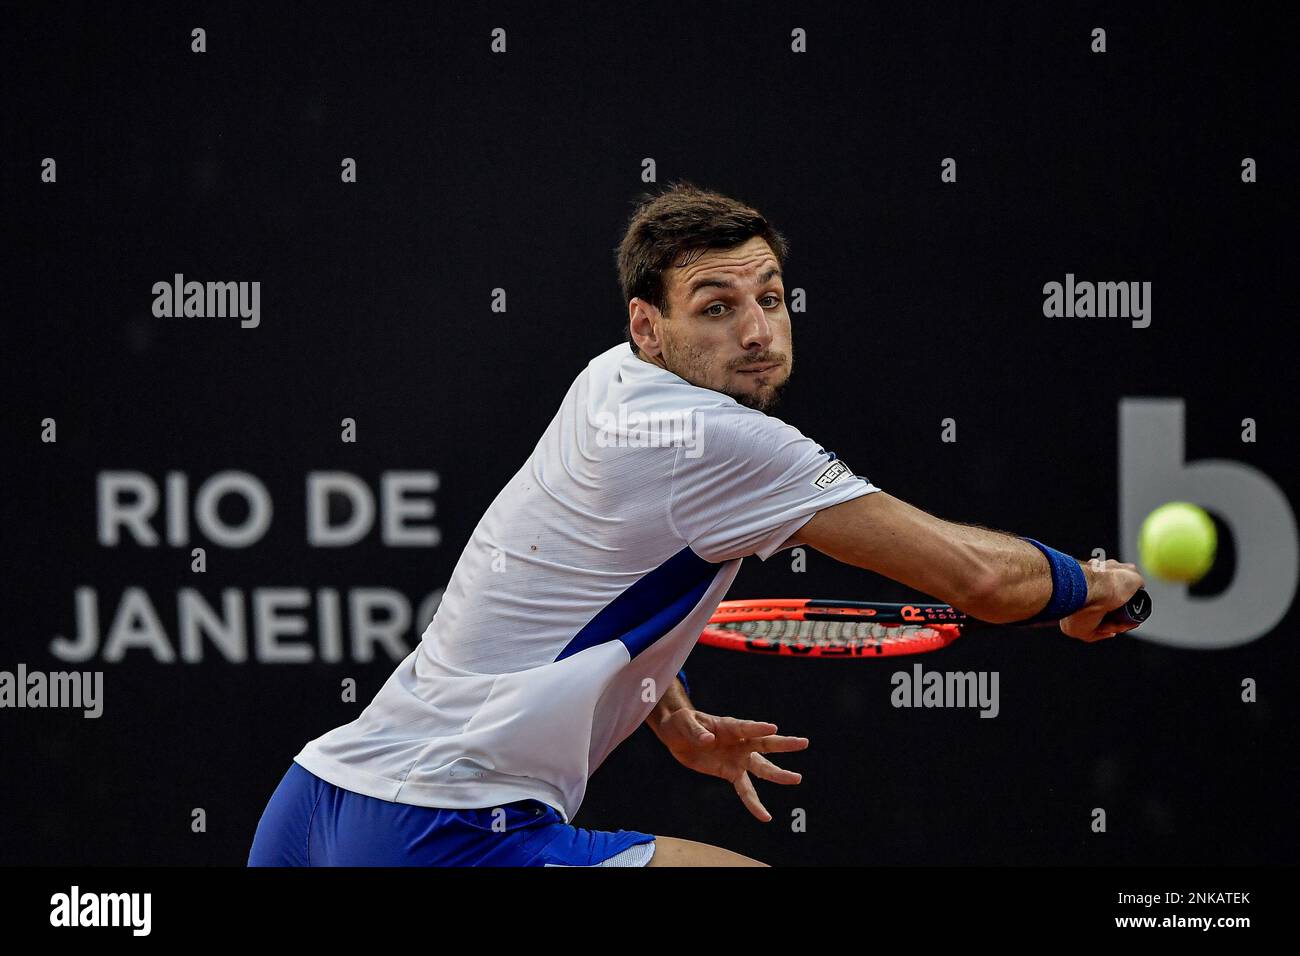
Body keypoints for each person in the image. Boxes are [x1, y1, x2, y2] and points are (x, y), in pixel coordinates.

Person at [248, 181, 1144, 867]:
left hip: (313, 802)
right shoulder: (728, 442)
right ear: (649, 324)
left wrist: (668, 712)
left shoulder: (609, 379)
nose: (757, 331)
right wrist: (1089, 584)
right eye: (717, 308)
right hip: (435, 828)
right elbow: (978, 582)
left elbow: (583, 579)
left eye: (771, 298)